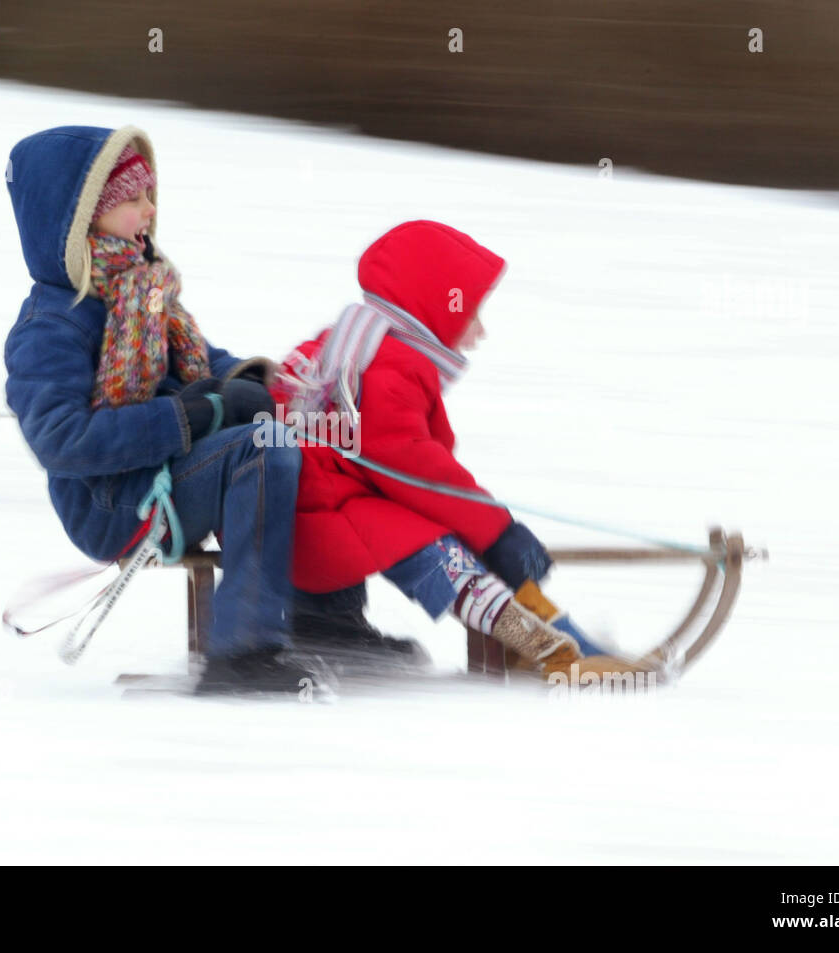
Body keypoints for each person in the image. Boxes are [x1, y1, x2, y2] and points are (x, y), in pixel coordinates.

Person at [3, 124, 321, 695]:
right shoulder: (51, 327)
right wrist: (193, 417)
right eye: (131, 199)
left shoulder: (142, 286)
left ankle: (333, 622)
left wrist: (251, 382)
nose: (149, 209)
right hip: (112, 500)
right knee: (260, 452)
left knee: (303, 440)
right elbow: (62, 440)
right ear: (80, 219)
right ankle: (243, 653)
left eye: (149, 194)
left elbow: (194, 364)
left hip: (164, 471)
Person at [273, 220, 646, 679]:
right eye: (471, 314)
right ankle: (542, 640)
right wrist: (499, 534)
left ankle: (328, 623)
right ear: (432, 310)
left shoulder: (354, 346)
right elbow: (420, 474)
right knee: (436, 548)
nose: (480, 332)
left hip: (300, 509)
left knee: (411, 525)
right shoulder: (385, 370)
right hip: (299, 524)